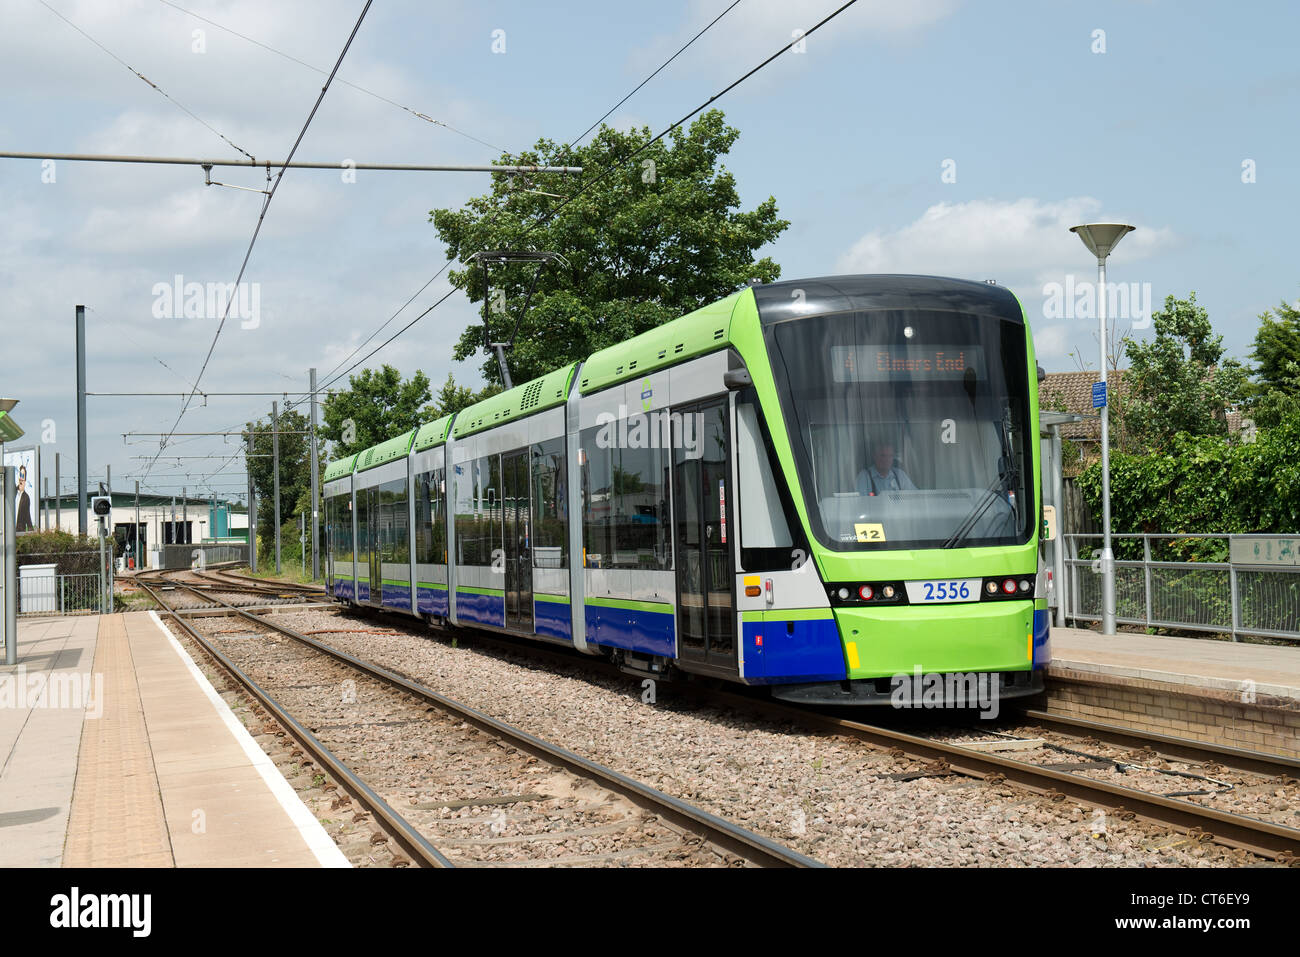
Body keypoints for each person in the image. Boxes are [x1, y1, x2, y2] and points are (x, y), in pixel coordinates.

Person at [15, 465, 33, 533]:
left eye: (23, 476)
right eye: (20, 475)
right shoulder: (12, 492)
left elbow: (27, 515)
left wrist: (30, 529)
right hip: (7, 530)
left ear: (25, 480)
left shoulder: (26, 498)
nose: (21, 479)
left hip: (19, 532)